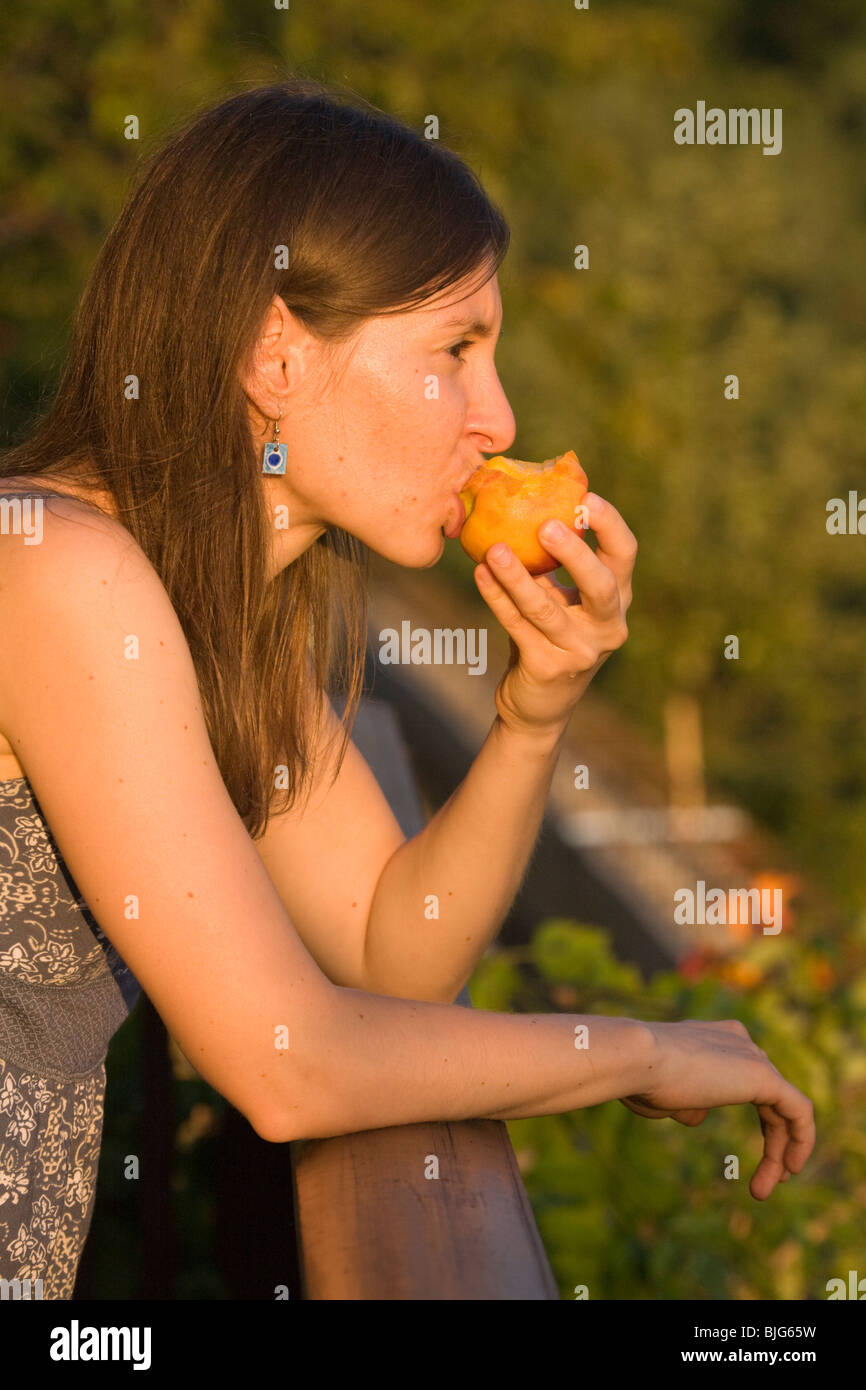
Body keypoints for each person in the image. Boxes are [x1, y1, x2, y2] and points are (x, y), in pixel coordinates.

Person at [0, 78, 813, 1298]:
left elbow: (392, 951)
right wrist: (637, 1048)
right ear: (275, 354)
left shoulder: (229, 612)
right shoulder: (58, 576)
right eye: (452, 352)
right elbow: (289, 1063)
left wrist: (534, 708)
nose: (496, 417)